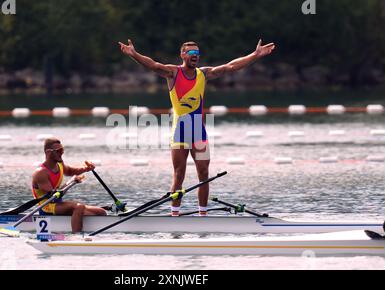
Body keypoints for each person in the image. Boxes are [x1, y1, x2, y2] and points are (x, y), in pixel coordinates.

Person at [118, 39, 275, 216]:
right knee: (179, 174)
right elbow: (154, 65)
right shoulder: (173, 73)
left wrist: (255, 55)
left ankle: (203, 214)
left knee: (204, 173)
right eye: (191, 53)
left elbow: (230, 67)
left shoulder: (204, 74)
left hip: (198, 131)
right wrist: (134, 54)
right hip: (180, 131)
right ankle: (174, 214)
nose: (195, 56)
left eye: (197, 53)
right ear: (182, 55)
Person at [32, 138, 107, 233]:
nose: (62, 153)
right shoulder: (41, 173)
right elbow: (53, 195)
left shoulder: (59, 164)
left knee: (101, 212)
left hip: (58, 205)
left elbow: (70, 171)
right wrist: (71, 182)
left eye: (62, 150)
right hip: (47, 207)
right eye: (58, 151)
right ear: (48, 152)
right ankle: (76, 236)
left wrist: (86, 169)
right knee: (78, 207)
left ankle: (80, 223)